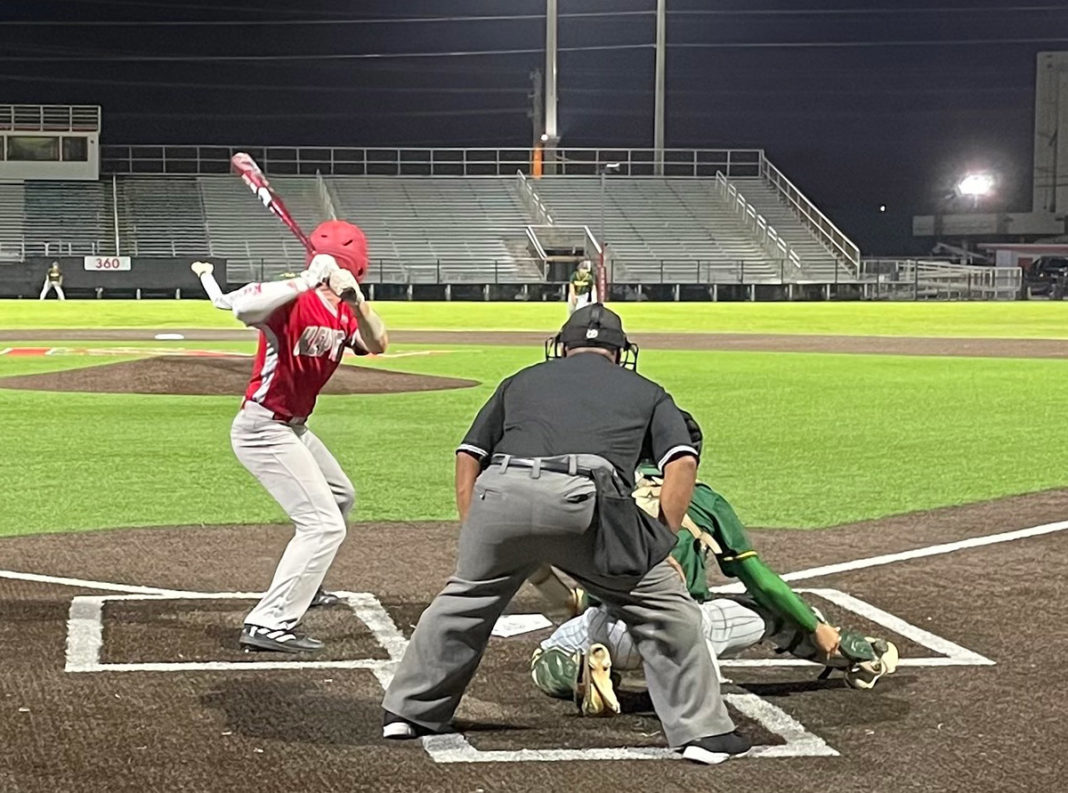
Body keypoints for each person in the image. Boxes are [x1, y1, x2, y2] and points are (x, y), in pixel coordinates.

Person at [382, 304, 750, 765]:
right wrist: (660, 538)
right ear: (620, 352)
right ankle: (704, 735)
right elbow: (682, 461)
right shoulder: (649, 391)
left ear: (562, 346)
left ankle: (409, 713)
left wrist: (476, 523)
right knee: (665, 609)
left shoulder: (521, 380)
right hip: (585, 500)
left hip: (500, 493)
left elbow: (469, 453)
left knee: (463, 601)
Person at [530, 435, 899, 712]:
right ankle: (858, 654)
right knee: (777, 612)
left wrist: (572, 597)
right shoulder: (705, 500)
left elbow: (559, 563)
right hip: (691, 633)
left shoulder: (602, 491)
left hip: (614, 633)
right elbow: (763, 582)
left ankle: (583, 677)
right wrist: (815, 627)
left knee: (548, 656)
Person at [192, 220, 389, 654]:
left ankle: (307, 582)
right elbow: (240, 307)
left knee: (340, 497)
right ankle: (268, 621)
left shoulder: (343, 307)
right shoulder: (291, 300)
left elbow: (377, 345)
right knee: (322, 525)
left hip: (292, 427)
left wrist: (358, 304)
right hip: (263, 428)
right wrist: (307, 279)